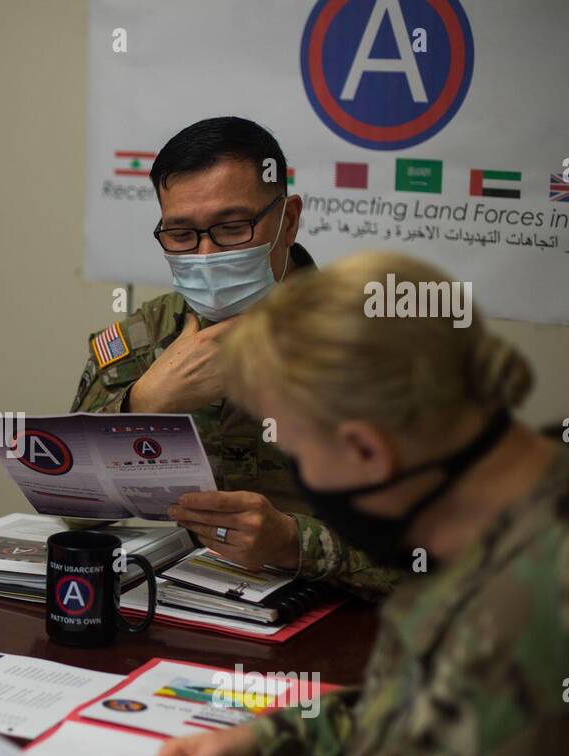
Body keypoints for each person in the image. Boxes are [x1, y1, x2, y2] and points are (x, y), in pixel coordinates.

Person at [60, 251, 569, 756]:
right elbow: (420, 714)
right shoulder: (510, 516)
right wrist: (270, 745)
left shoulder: (547, 627)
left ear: (365, 451)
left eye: (296, 452)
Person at [72, 117, 394, 599]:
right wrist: (142, 406)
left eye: (231, 228)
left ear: (287, 220)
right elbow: (73, 507)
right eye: (181, 234)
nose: (205, 254)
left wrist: (292, 542)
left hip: (329, 633)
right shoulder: (144, 339)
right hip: (166, 615)